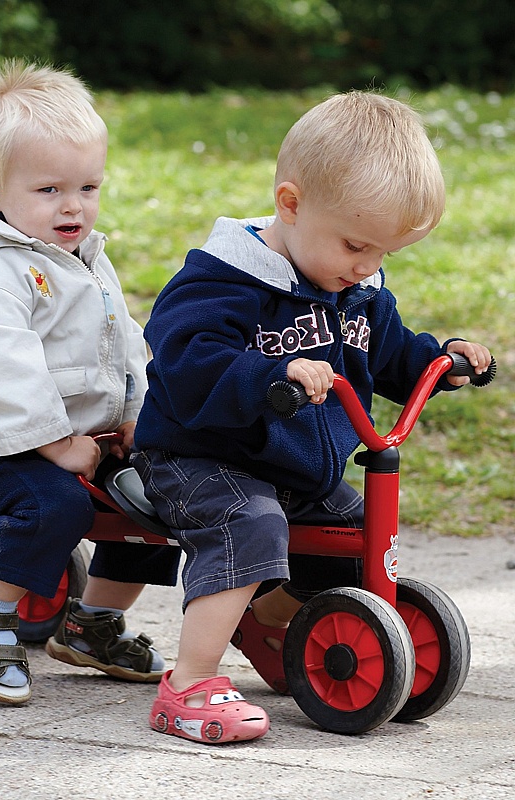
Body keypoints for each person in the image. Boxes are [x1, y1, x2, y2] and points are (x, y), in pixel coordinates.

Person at [131, 90, 493, 744]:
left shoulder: (354, 288)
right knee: (251, 521)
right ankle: (186, 683)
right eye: (357, 245)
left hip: (293, 465)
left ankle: (292, 626)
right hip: (200, 458)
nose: (368, 266)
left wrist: (439, 360)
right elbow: (185, 359)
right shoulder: (225, 278)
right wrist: (270, 375)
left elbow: (390, 352)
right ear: (290, 205)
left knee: (355, 527)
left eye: (385, 253)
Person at [0, 60, 181, 705]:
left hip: (75, 440)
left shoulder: (82, 258)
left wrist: (137, 412)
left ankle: (91, 623)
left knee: (165, 493)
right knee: (55, 506)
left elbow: (124, 342)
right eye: (50, 190)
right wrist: (55, 442)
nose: (74, 206)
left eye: (88, 187)